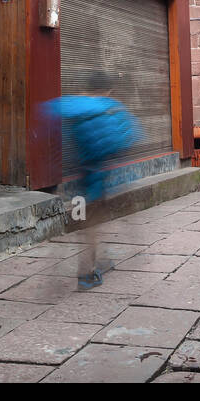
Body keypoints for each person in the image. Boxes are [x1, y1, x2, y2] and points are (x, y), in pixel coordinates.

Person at [41, 74, 141, 289]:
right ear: (108, 90)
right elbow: (128, 138)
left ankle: (100, 259)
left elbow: (49, 117)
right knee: (92, 225)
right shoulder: (112, 110)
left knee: (83, 220)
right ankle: (86, 275)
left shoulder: (73, 107)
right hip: (99, 180)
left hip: (76, 179)